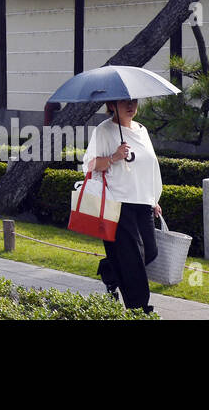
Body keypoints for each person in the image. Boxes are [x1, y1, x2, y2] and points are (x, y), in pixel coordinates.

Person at [83, 97, 163, 313]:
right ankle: (140, 310)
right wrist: (115, 156)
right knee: (133, 259)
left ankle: (110, 271)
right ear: (111, 106)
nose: (131, 106)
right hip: (118, 202)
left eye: (134, 101)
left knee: (151, 252)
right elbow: (89, 164)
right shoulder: (104, 131)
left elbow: (150, 166)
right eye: (124, 102)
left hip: (143, 202)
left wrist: (153, 198)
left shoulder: (142, 130)